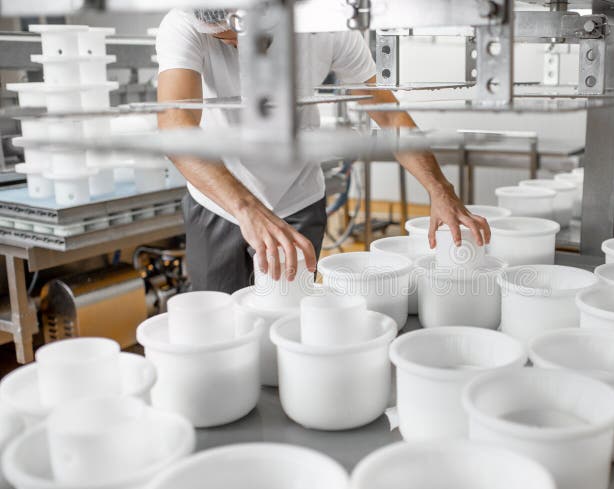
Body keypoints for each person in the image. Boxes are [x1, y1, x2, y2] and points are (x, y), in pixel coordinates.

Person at [155, 9, 490, 292]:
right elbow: (175, 125)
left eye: (239, 34)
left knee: (290, 312)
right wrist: (247, 208)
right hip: (218, 203)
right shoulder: (184, 24)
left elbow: (388, 115)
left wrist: (439, 188)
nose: (233, 44)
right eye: (222, 39)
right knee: (219, 320)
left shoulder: (328, 25)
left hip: (297, 199)